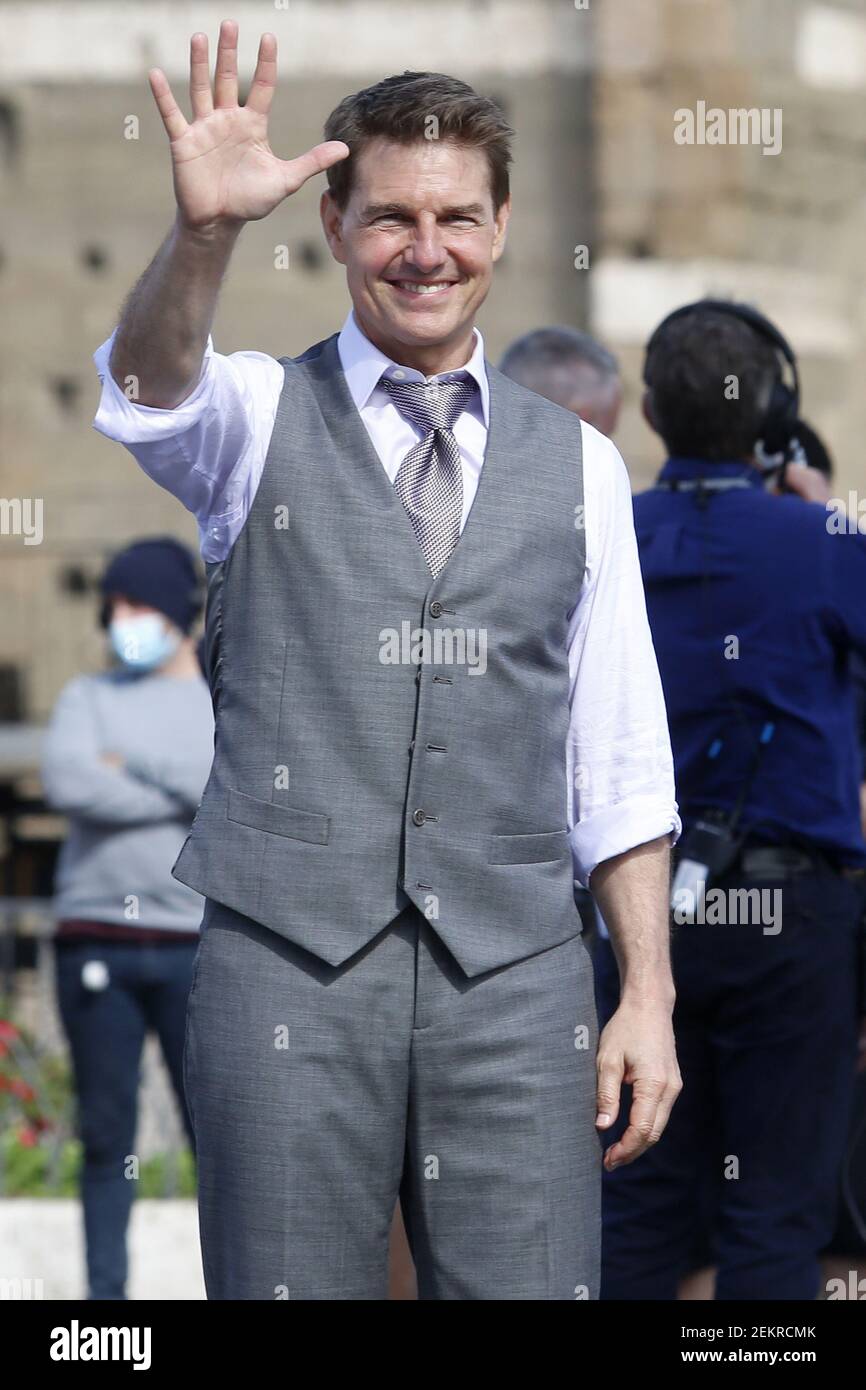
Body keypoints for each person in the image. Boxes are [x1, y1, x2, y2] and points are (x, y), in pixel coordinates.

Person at [92, 21, 681, 1301]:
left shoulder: (578, 464)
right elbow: (144, 390)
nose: (428, 251)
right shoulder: (251, 419)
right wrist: (203, 234)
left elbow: (618, 756)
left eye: (458, 218)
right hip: (287, 971)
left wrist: (645, 993)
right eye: (391, 219)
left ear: (505, 224)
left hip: (515, 987)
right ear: (335, 224)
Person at [596, 300, 866, 1301]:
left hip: (632, 909)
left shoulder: (604, 533)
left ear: (651, 418)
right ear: (769, 414)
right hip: (789, 913)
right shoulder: (820, 538)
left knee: (635, 1198)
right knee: (773, 1211)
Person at [41, 537, 214, 1300]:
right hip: (94, 943)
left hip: (198, 949)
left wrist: (128, 766)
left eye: (137, 604)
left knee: (218, 1140)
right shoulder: (87, 697)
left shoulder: (222, 695)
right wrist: (178, 789)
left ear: (177, 613)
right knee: (107, 1139)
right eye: (113, 606)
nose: (121, 619)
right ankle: (105, 1307)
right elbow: (70, 781)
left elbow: (227, 786)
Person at [499, 326, 622, 436]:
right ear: (582, 423)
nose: (607, 451)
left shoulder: (484, 450)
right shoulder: (598, 455)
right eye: (604, 437)